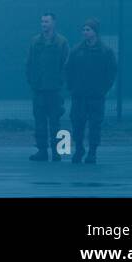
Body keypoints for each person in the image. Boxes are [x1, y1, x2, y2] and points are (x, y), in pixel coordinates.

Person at [65, 17, 117, 164]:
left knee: (95, 125)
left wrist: (103, 89)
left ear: (95, 32)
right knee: (77, 124)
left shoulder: (105, 52)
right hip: (79, 95)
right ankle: (79, 148)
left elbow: (111, 72)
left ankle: (92, 152)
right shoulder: (76, 51)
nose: (85, 32)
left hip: (96, 96)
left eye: (88, 30)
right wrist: (72, 87)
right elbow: (68, 69)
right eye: (84, 30)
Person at [25, 12, 69, 162]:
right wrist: (32, 81)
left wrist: (60, 83)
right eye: (42, 21)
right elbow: (29, 63)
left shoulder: (61, 42)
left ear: (53, 23)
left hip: (55, 90)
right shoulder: (35, 41)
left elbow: (66, 65)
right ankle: (42, 151)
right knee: (39, 122)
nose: (44, 24)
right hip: (38, 89)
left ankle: (57, 152)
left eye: (47, 21)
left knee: (55, 122)